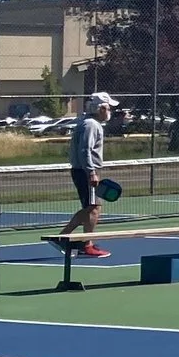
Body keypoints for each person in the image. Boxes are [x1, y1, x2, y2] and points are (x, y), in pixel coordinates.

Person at [54, 93, 115, 258]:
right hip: (85, 171)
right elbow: (85, 150)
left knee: (91, 207)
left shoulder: (87, 123)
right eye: (108, 107)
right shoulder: (91, 125)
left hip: (84, 170)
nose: (110, 111)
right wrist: (91, 172)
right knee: (94, 208)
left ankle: (66, 237)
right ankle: (84, 243)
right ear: (101, 108)